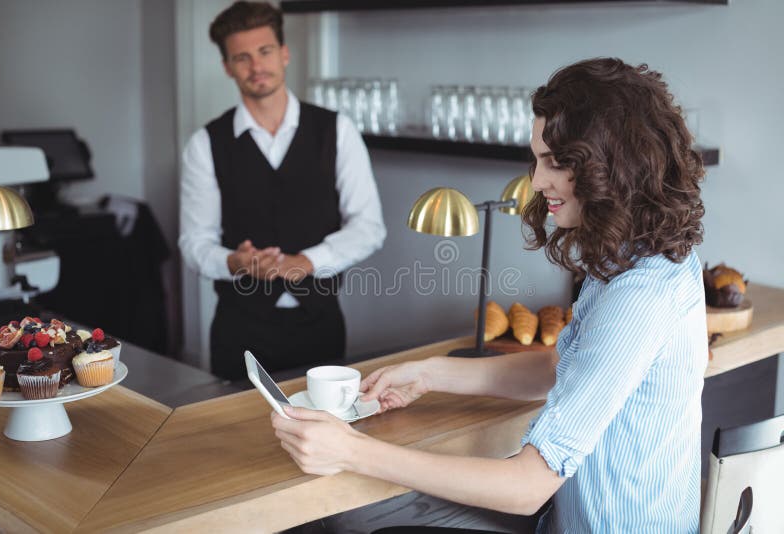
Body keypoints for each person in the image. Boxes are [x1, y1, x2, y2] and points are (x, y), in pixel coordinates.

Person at [272, 57, 708, 533]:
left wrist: (351, 451)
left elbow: (526, 488)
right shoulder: (638, 257)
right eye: (537, 160)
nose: (538, 182)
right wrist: (428, 373)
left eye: (555, 163)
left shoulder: (637, 297)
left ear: (613, 166)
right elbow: (559, 366)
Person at [179, 2, 386, 380]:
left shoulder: (336, 131)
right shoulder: (205, 144)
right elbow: (195, 242)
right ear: (227, 66)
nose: (256, 67)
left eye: (265, 51)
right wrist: (234, 263)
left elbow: (369, 226)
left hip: (320, 327)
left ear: (284, 53)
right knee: (233, 437)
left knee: (324, 434)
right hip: (239, 332)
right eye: (242, 57)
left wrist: (307, 261)